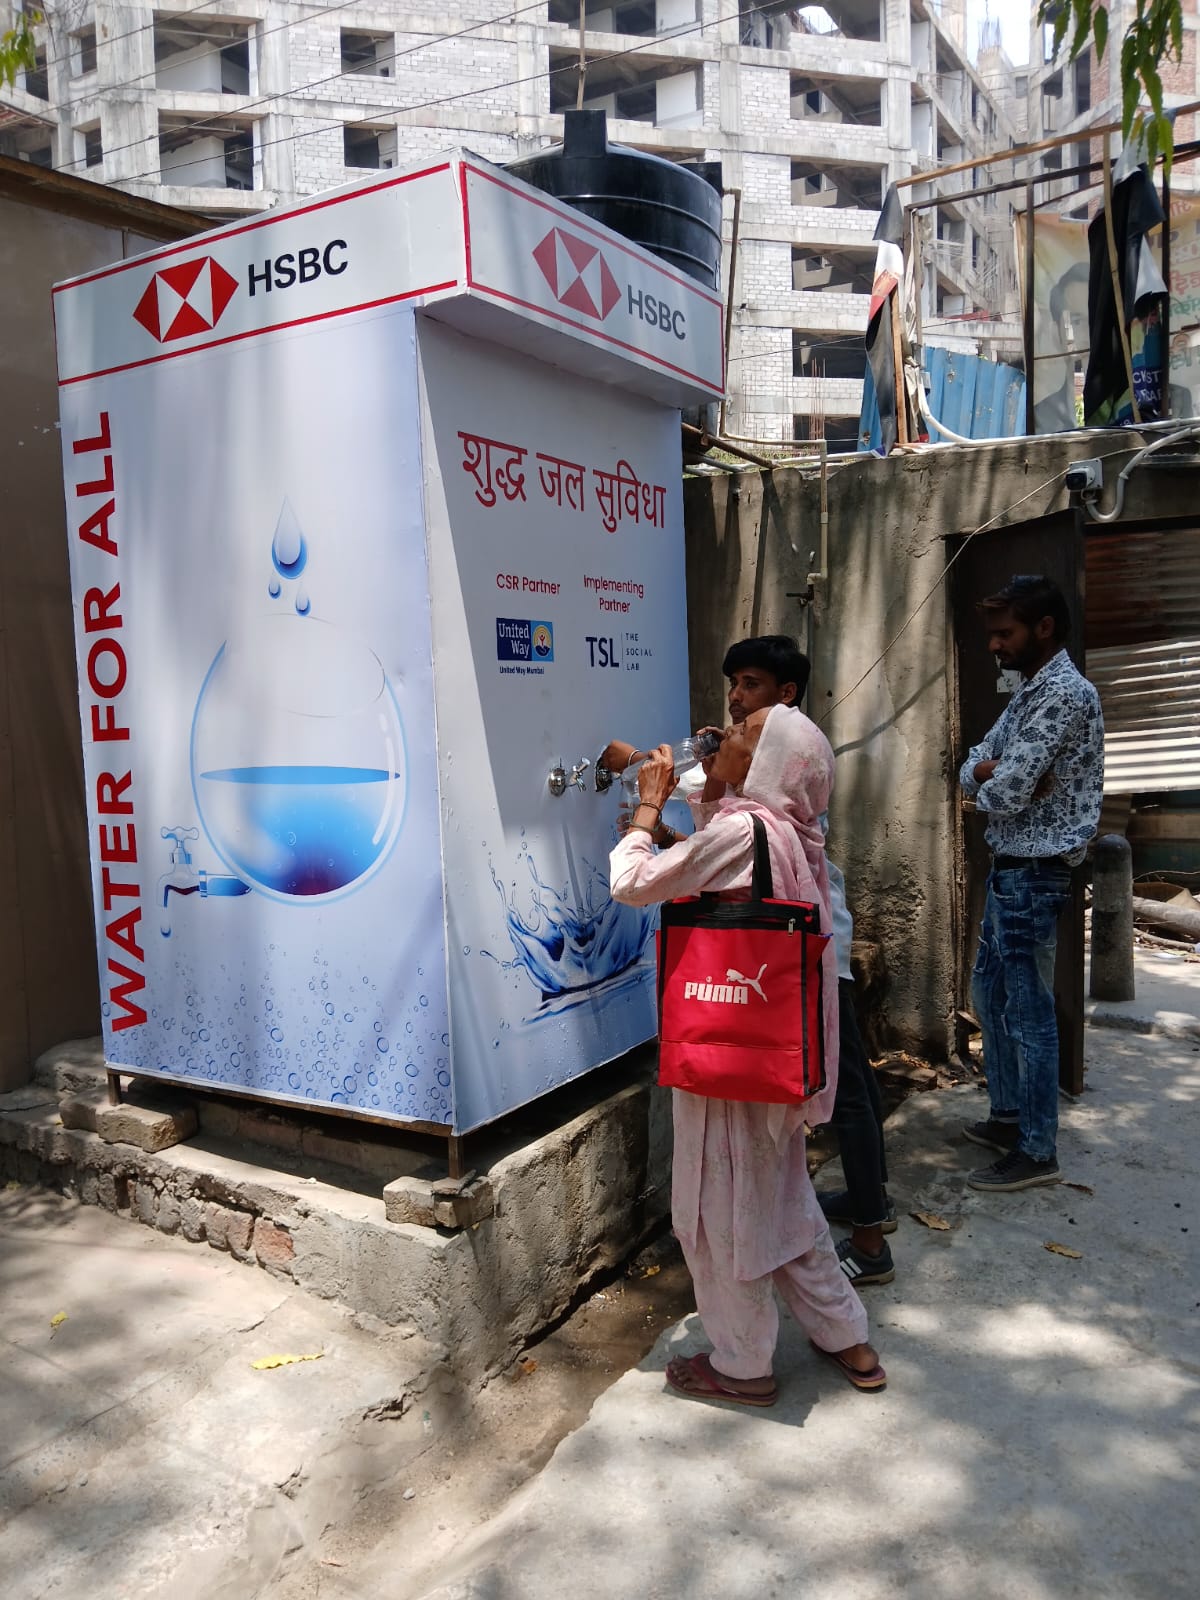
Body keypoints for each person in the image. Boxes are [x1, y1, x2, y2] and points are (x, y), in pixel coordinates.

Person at [609, 703, 885, 1405]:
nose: (721, 736)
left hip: (728, 1058)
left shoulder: (742, 827)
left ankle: (741, 1365)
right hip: (776, 1055)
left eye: (740, 734)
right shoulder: (789, 828)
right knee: (783, 1200)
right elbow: (727, 872)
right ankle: (848, 1338)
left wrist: (644, 819)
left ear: (766, 767)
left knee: (716, 1210)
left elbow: (632, 885)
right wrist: (669, 817)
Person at [711, 637, 898, 1287]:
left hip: (814, 947)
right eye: (734, 682)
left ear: (786, 696)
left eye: (752, 685)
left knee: (841, 1090)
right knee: (856, 1084)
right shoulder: (781, 753)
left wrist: (700, 774)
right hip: (815, 938)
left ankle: (871, 1244)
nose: (737, 699)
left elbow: (729, 824)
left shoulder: (788, 759)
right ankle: (872, 1200)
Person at [959, 575, 1104, 1192]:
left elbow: (1008, 791)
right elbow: (975, 766)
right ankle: (1009, 1114)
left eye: (1004, 632)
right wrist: (988, 776)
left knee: (1029, 1013)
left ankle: (1038, 1149)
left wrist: (995, 782)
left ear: (1043, 628)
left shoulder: (1064, 695)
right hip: (1011, 868)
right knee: (989, 996)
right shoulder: (1029, 693)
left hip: (1036, 875)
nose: (995, 644)